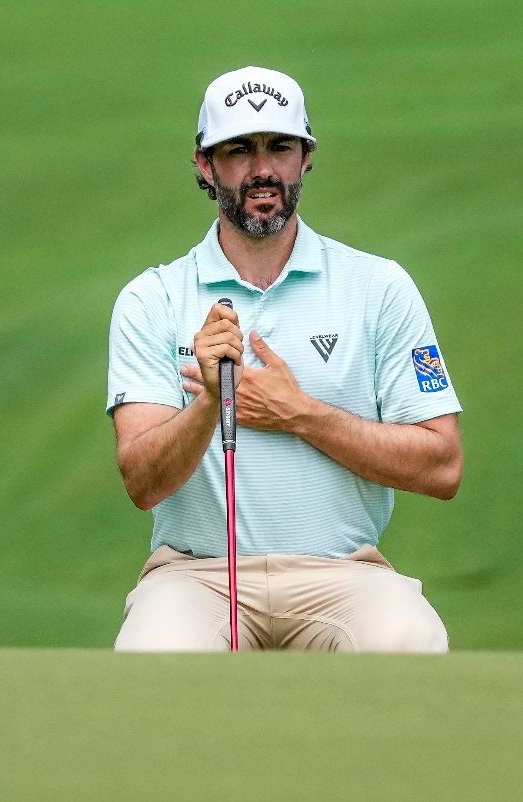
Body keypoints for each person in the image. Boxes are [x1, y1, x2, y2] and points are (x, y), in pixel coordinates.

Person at [107, 66, 463, 652]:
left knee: (410, 642)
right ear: (204, 164)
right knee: (153, 653)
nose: (262, 168)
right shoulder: (153, 298)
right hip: (196, 576)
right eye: (239, 150)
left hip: (344, 575)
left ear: (306, 158)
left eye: (280, 146)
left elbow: (442, 465)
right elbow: (142, 481)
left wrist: (298, 412)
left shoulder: (379, 287)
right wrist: (210, 405)